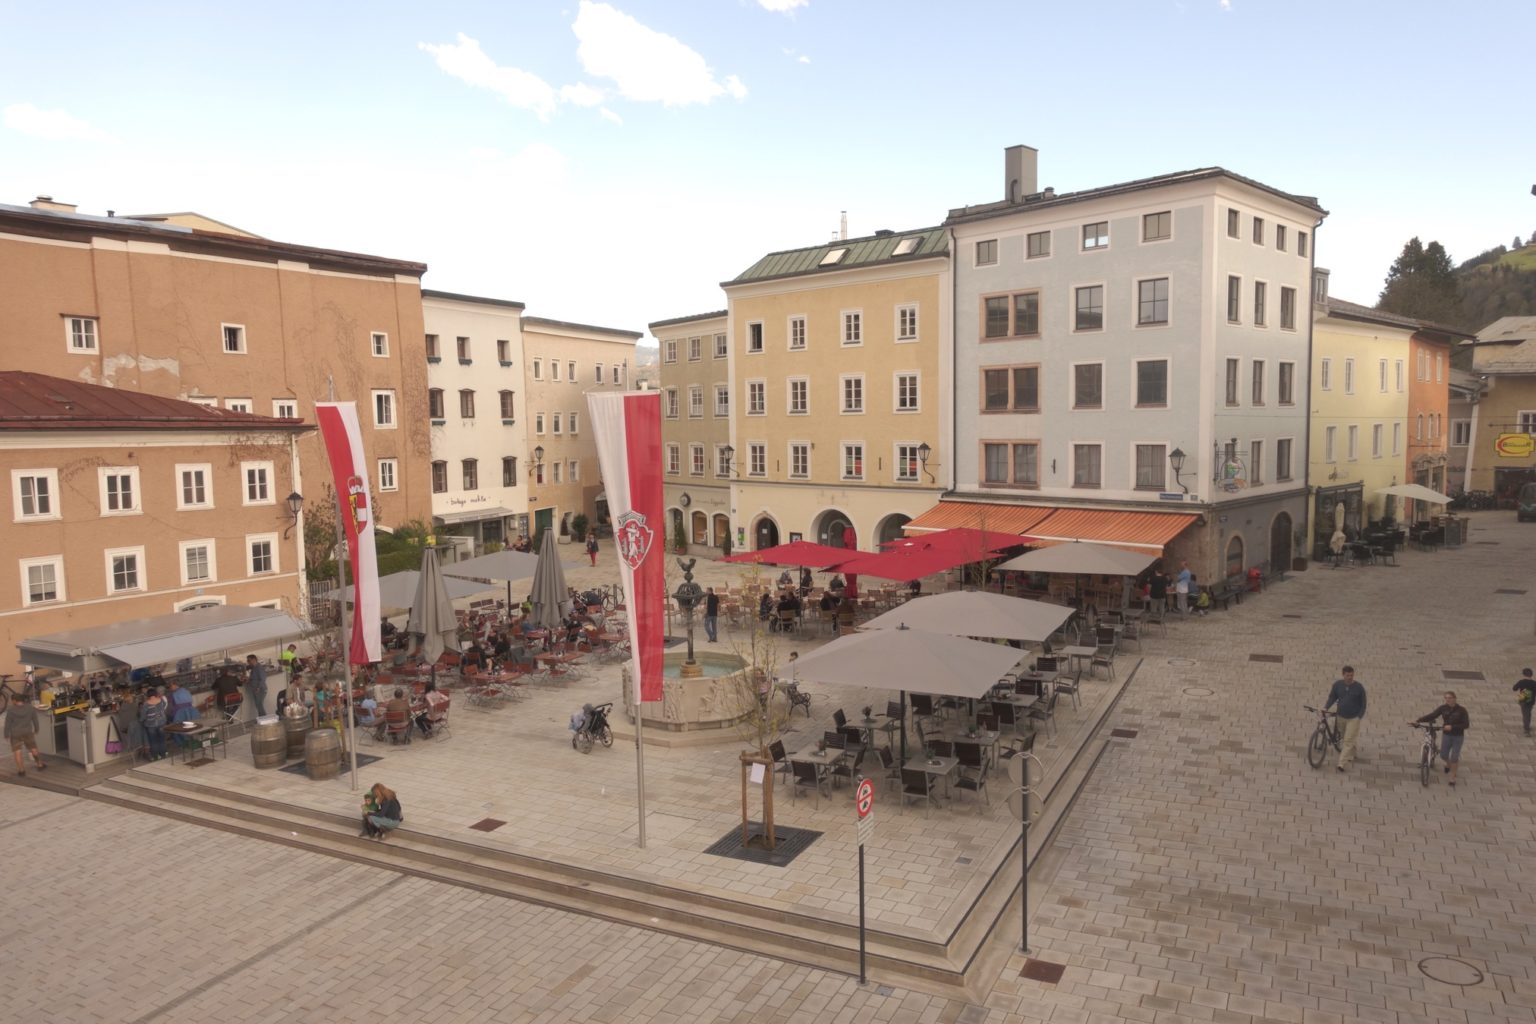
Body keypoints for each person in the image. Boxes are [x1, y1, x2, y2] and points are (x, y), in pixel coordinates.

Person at [1413, 691, 1471, 786]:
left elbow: (1466, 724)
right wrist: (1418, 720)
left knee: (1454, 756)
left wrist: (1452, 727)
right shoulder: (1443, 708)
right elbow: (1432, 715)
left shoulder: (1462, 710)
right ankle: (1449, 765)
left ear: (1455, 698)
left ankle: (1452, 777)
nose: (1448, 700)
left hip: (1458, 736)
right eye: (1446, 698)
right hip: (1447, 735)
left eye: (1450, 698)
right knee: (1443, 755)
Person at [1323, 666, 1367, 772]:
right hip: (1341, 716)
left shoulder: (1359, 687)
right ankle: (1352, 752)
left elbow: (1363, 704)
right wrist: (1326, 707)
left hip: (1353, 718)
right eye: (1347, 675)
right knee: (1345, 736)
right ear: (1343, 674)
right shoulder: (1338, 685)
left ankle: (1341, 763)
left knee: (1347, 741)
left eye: (1351, 675)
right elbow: (1332, 697)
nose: (1350, 677)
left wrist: (1359, 716)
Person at [5, 690, 47, 776]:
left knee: (17, 751)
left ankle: (21, 771)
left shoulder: (11, 710)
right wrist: (36, 729)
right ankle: (40, 764)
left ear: (15, 701)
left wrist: (6, 734)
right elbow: (35, 719)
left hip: (15, 734)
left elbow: (7, 723)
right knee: (33, 748)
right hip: (27, 732)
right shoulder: (30, 708)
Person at [139, 688, 168, 761]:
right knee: (162, 739)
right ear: (155, 694)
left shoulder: (146, 704)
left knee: (153, 741)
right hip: (161, 723)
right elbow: (164, 707)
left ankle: (156, 755)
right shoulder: (161, 701)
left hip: (151, 725)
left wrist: (141, 721)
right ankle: (164, 753)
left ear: (148, 695)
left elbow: (143, 716)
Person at [1514, 668, 1535, 736]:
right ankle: (1527, 725)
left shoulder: (1521, 682)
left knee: (1525, 714)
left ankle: (1526, 729)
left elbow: (1514, 688)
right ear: (1531, 675)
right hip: (1531, 700)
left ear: (1523, 674)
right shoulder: (1534, 683)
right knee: (1528, 713)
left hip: (1523, 699)